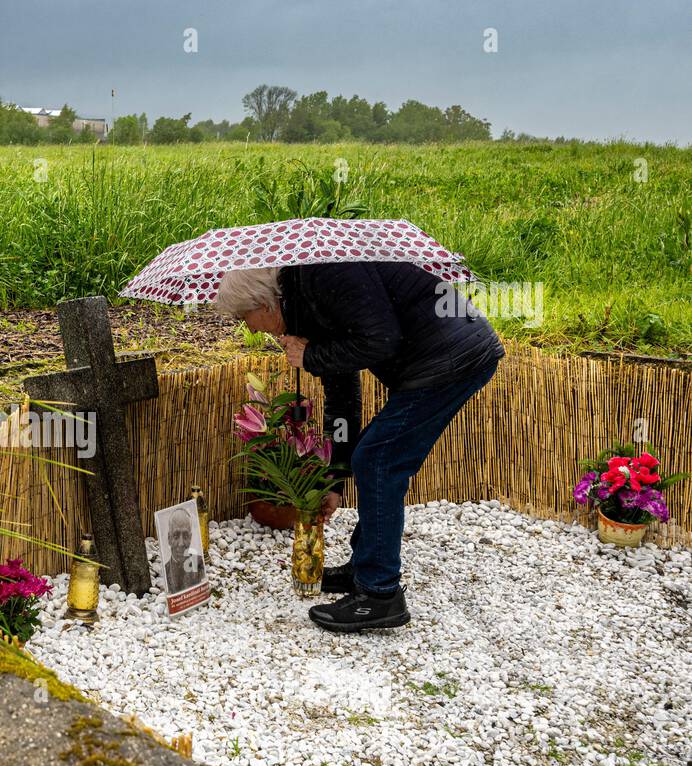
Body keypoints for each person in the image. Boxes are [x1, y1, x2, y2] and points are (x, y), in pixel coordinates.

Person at [214, 261, 504, 633]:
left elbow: (382, 339)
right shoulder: (304, 309)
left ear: (265, 306)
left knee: (380, 460)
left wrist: (311, 357)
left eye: (244, 317)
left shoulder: (325, 275)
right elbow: (342, 397)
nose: (248, 327)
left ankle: (379, 595)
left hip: (453, 357)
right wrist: (335, 479)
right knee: (372, 452)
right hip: (433, 360)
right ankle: (364, 569)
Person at [163, 508, 205, 593]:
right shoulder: (165, 571)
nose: (181, 544)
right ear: (169, 538)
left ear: (190, 538)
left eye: (185, 536)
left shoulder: (200, 564)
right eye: (176, 536)